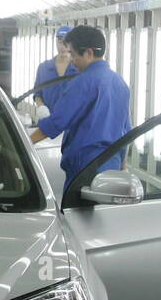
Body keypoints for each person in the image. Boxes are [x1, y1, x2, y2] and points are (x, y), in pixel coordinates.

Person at [29, 24, 131, 195]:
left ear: (89, 53)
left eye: (73, 54)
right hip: (112, 166)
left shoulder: (82, 82)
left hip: (84, 167)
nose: (71, 59)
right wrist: (123, 166)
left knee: (75, 216)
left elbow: (57, 122)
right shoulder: (120, 82)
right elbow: (126, 130)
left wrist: (26, 143)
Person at [33, 25, 77, 110]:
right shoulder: (44, 68)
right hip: (49, 120)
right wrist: (41, 107)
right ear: (55, 42)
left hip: (72, 122)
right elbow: (37, 94)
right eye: (60, 41)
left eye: (66, 42)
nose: (62, 46)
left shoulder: (79, 69)